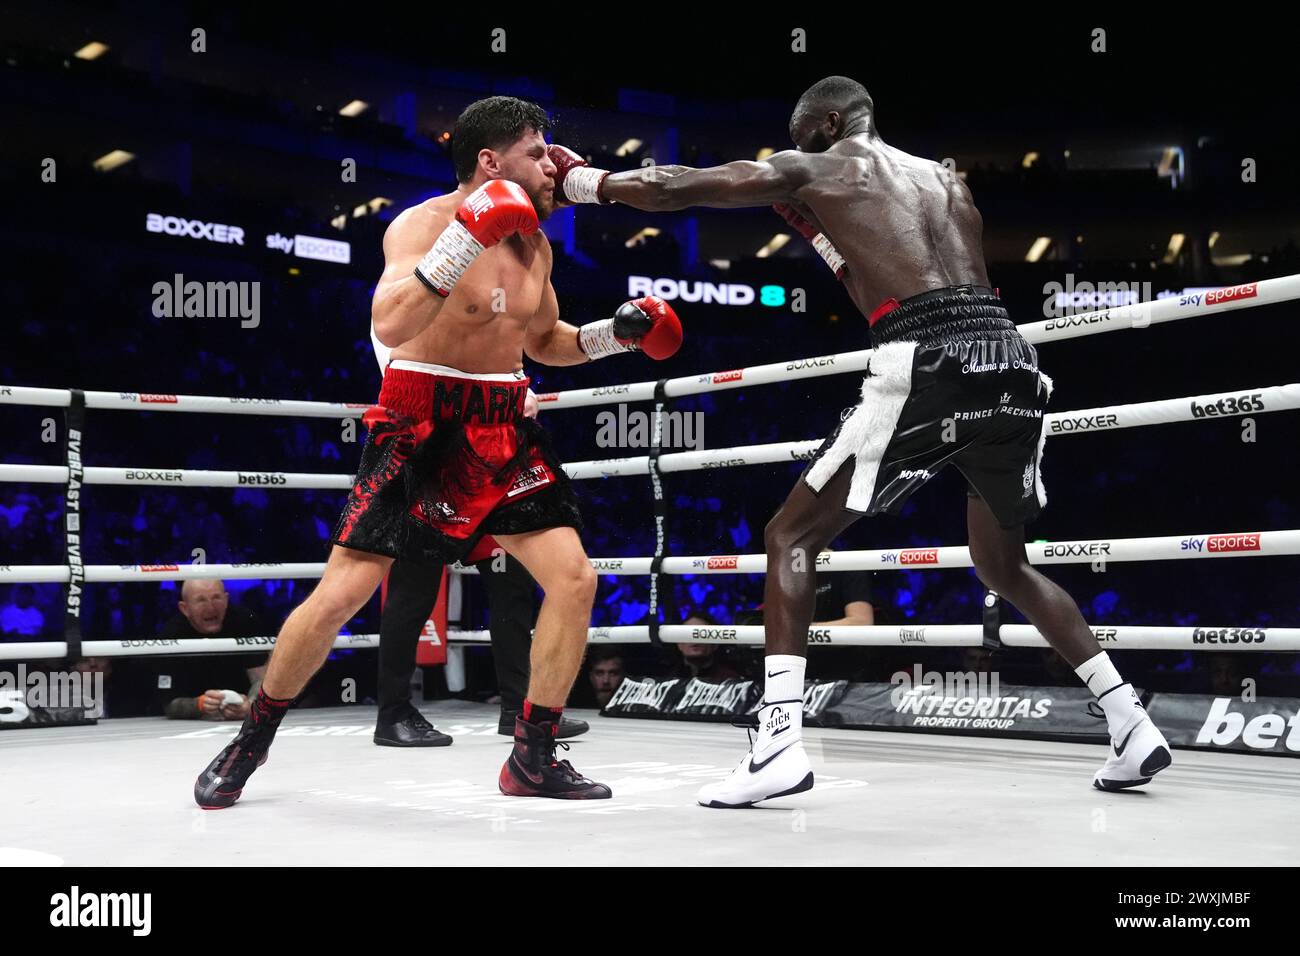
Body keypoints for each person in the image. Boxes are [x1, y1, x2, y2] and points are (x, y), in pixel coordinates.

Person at [550, 75, 1170, 805]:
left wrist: (583, 183)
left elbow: (678, 187)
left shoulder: (818, 164)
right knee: (1003, 566)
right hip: (1009, 359)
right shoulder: (946, 181)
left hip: (927, 360)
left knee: (790, 538)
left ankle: (777, 743)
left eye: (804, 134)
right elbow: (898, 278)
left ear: (832, 121)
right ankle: (1131, 722)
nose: (798, 150)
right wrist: (820, 236)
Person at [194, 95, 682, 808]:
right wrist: (463, 241)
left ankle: (533, 756)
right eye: (538, 153)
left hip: (503, 419)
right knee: (343, 594)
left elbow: (544, 342)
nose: (556, 166)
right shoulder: (421, 225)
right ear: (491, 161)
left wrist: (619, 334)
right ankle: (251, 740)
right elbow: (390, 325)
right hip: (422, 415)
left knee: (574, 579)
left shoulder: (537, 247)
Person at [156, 579, 267, 720]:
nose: (211, 607)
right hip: (192, 727)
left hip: (241, 711)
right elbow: (169, 704)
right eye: (201, 600)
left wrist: (251, 706)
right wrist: (198, 705)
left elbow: (262, 680)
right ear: (185, 608)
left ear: (226, 599)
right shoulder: (172, 635)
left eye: (216, 597)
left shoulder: (244, 621)